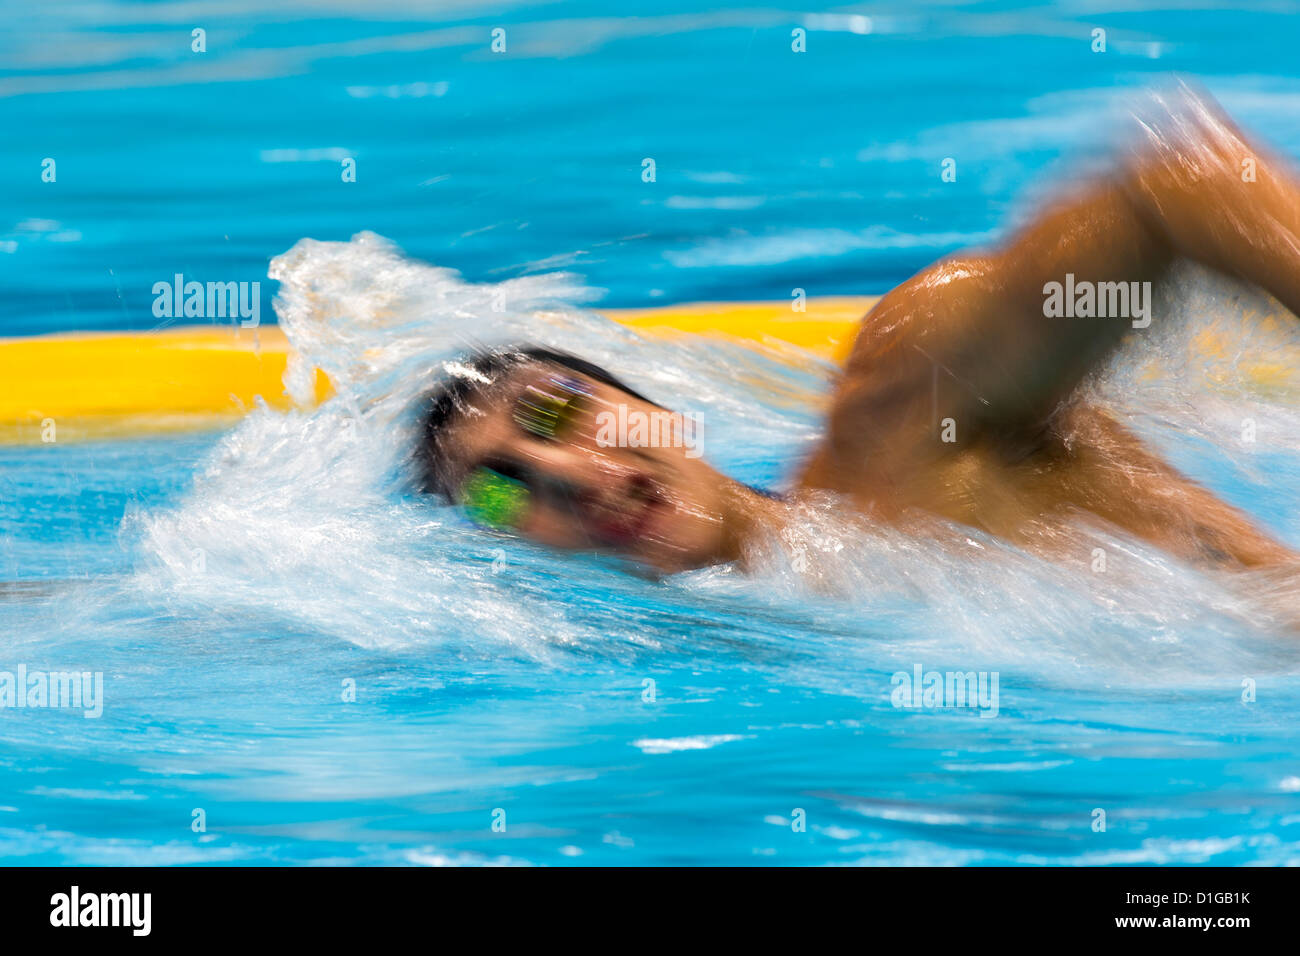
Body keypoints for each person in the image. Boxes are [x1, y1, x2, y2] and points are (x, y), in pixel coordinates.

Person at [414, 89, 1300, 575]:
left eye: (551, 415)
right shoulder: (736, 661)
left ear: (653, 409)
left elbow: (1174, 191)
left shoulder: (902, 422)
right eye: (499, 494)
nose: (564, 476)